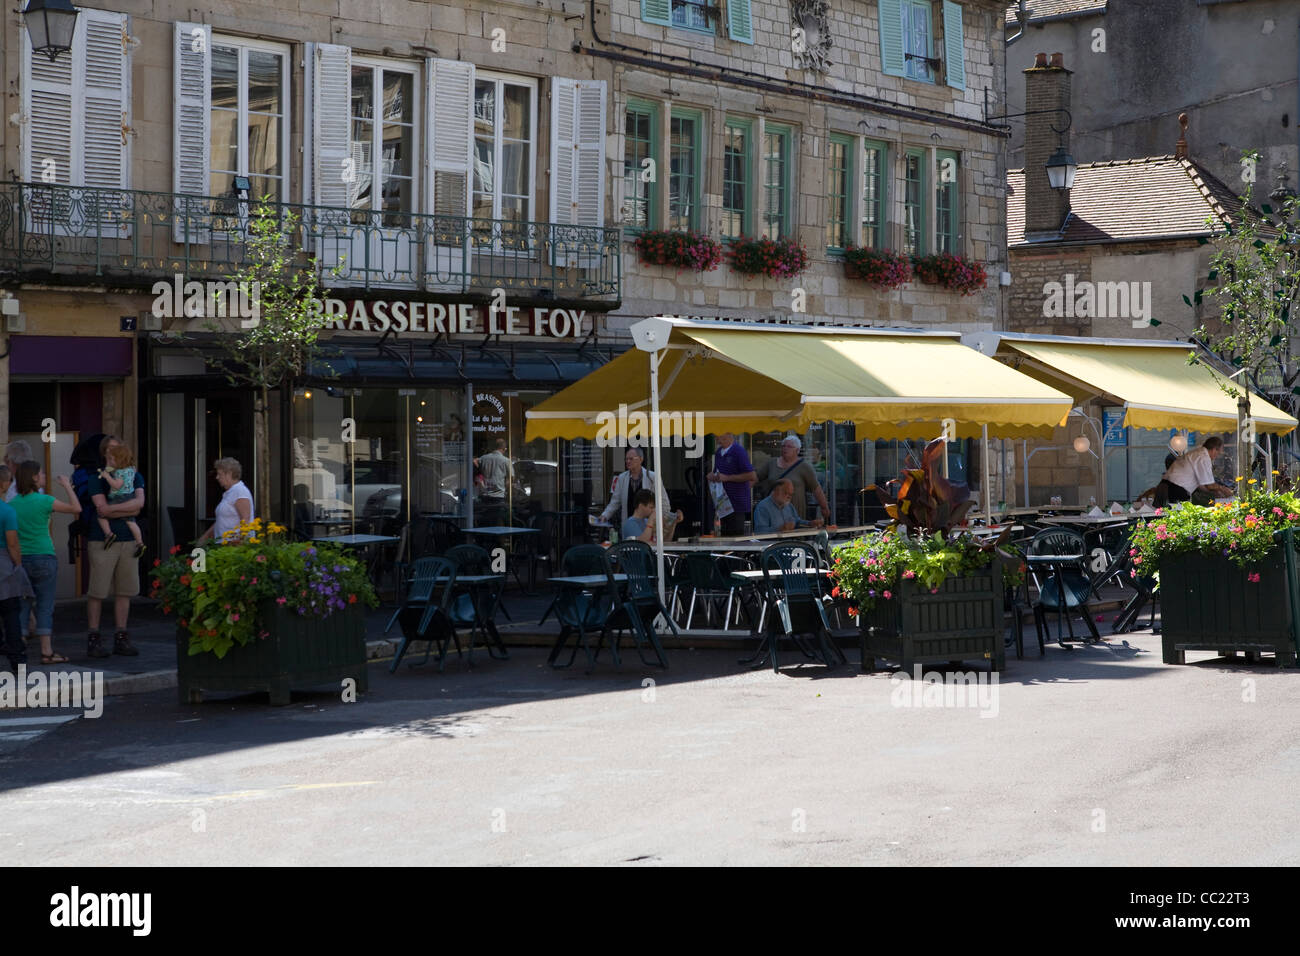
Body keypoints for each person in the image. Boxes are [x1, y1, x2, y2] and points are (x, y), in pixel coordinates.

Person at [81, 437, 146, 658]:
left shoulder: (134, 475)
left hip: (128, 539)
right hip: (102, 540)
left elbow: (139, 505)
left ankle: (121, 637)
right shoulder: (98, 477)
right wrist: (127, 511)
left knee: (124, 591)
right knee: (97, 591)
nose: (113, 454)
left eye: (117, 450)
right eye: (109, 451)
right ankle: (94, 637)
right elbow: (101, 509)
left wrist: (117, 510)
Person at [11, 461, 82, 664]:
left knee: (23, 605)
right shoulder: (44, 501)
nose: (43, 476)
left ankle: (20, 649)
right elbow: (76, 508)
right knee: (45, 605)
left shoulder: (12, 505)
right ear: (33, 478)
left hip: (21, 559)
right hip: (44, 557)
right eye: (41, 474)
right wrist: (67, 485)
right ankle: (46, 651)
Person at [0, 466, 33, 672]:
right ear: (3, 484)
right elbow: (12, 543)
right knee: (10, 611)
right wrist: (18, 564)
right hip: (3, 564)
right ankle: (17, 659)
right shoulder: (7, 511)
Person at [757, 435, 830, 523]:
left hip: (795, 511)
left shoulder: (804, 466)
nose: (785, 448)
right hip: (773, 511)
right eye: (783, 446)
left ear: (797, 450)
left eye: (789, 446)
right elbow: (755, 478)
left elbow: (816, 488)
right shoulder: (771, 464)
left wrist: (824, 507)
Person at [96, 441, 145, 555]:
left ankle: (109, 534)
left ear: (119, 460)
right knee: (131, 522)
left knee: (100, 515)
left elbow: (116, 485)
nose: (111, 462)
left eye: (112, 459)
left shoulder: (119, 472)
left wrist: (107, 476)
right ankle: (140, 543)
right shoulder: (131, 470)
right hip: (130, 496)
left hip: (119, 496)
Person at [600, 447, 670, 525]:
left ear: (641, 459)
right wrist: (605, 515)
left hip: (648, 527)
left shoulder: (652, 477)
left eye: (631, 459)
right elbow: (615, 502)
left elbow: (664, 502)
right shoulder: (622, 478)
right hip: (629, 526)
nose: (628, 461)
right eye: (626, 459)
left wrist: (659, 521)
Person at [1156, 436, 1234, 504]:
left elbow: (1201, 484)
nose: (1217, 456)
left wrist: (1214, 492)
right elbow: (1210, 485)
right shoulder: (1203, 457)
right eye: (1218, 453)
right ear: (1214, 450)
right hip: (1175, 489)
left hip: (1167, 486)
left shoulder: (1197, 453)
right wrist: (1224, 489)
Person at [707, 432, 757, 536]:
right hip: (723, 504)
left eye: (720, 436)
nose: (718, 439)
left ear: (729, 435)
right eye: (717, 436)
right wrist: (713, 476)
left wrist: (728, 478)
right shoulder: (719, 452)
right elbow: (718, 473)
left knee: (736, 538)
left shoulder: (738, 451)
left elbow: (752, 476)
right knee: (725, 536)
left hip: (737, 505)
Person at [197, 458, 254, 544]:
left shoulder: (240, 491)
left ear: (229, 474)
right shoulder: (230, 493)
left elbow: (245, 520)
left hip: (234, 548)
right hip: (224, 545)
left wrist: (239, 541)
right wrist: (205, 537)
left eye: (220, 474)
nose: (217, 477)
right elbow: (221, 521)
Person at [754, 478, 825, 534]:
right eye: (786, 493)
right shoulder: (763, 507)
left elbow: (797, 522)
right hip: (771, 545)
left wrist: (810, 523)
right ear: (775, 491)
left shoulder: (789, 506)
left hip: (789, 542)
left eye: (791, 494)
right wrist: (780, 529)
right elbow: (759, 531)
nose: (789, 497)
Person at [475, 438, 513, 526]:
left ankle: (487, 538)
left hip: (485, 496)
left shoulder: (484, 458)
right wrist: (507, 488)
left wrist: (480, 471)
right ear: (504, 449)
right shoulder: (506, 460)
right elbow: (510, 479)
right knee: (498, 521)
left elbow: (475, 461)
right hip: (498, 497)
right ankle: (498, 538)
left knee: (485, 522)